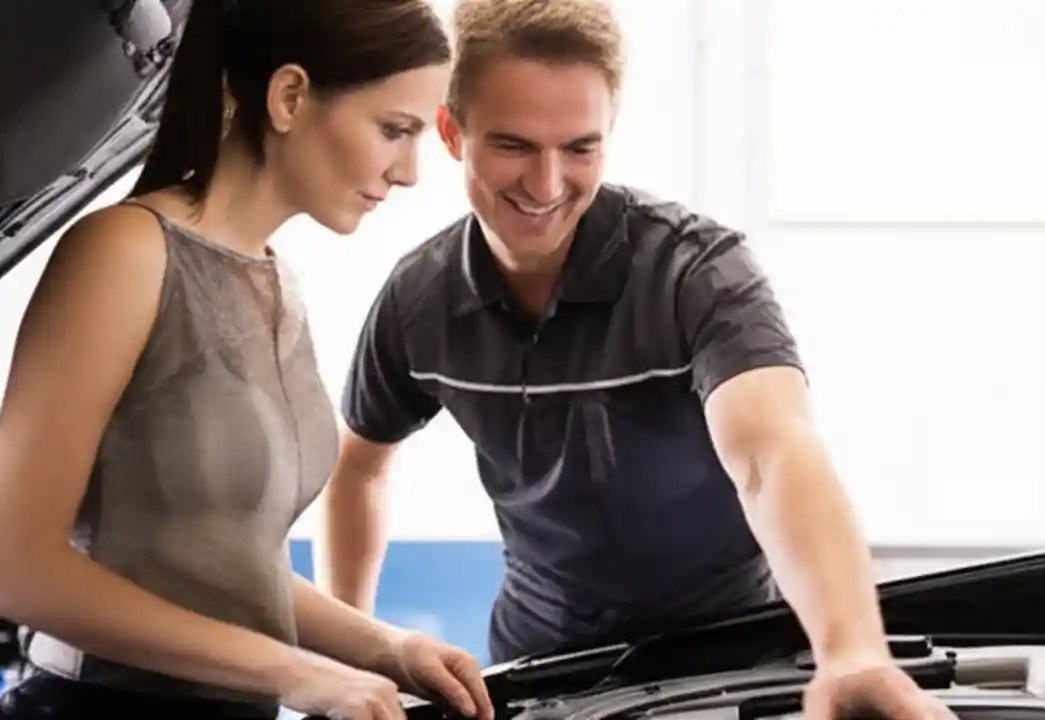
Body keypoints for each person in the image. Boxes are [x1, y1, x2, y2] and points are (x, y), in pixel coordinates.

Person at [319, 0, 954, 718]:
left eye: (580, 148)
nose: (548, 183)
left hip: (728, 655)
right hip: (540, 664)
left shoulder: (698, 272)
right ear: (450, 131)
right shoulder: (419, 297)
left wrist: (852, 650)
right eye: (514, 146)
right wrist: (358, 651)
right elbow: (360, 465)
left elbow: (772, 452)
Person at [0, 1, 497, 719]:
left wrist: (387, 648)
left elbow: (224, 565)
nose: (411, 172)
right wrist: (298, 673)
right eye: (395, 130)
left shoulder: (275, 282)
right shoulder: (124, 253)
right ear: (290, 96)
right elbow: (18, 564)